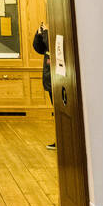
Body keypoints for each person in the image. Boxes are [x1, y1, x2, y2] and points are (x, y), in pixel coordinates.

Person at [32, 21, 56, 149]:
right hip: (49, 77)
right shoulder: (48, 32)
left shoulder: (58, 30)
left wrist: (46, 32)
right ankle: (59, 140)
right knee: (56, 111)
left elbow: (52, 46)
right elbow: (40, 49)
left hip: (57, 77)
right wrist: (39, 34)